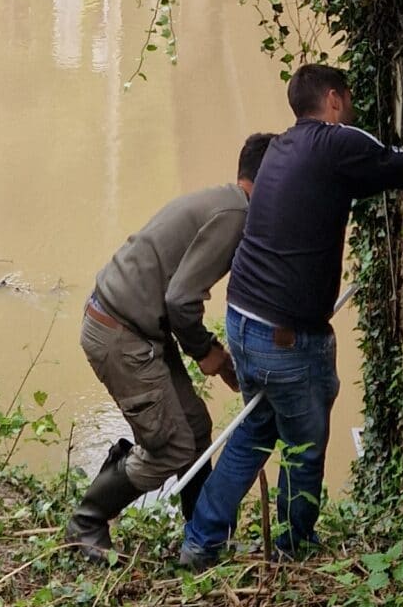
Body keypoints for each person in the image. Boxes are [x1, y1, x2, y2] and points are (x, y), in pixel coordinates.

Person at [179, 67, 403, 571]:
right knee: (304, 447)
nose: (352, 109)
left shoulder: (281, 149)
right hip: (286, 338)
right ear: (333, 99)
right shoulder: (338, 141)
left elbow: (357, 180)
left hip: (242, 320)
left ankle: (201, 541)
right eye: (349, 99)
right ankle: (291, 550)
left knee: (257, 429)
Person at [64, 132, 277, 562]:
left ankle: (201, 536)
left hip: (138, 327)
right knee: (172, 447)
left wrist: (211, 351)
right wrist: (207, 352)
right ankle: (86, 523)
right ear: (270, 178)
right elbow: (180, 300)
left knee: (195, 427)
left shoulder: (226, 203)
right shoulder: (237, 215)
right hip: (121, 332)